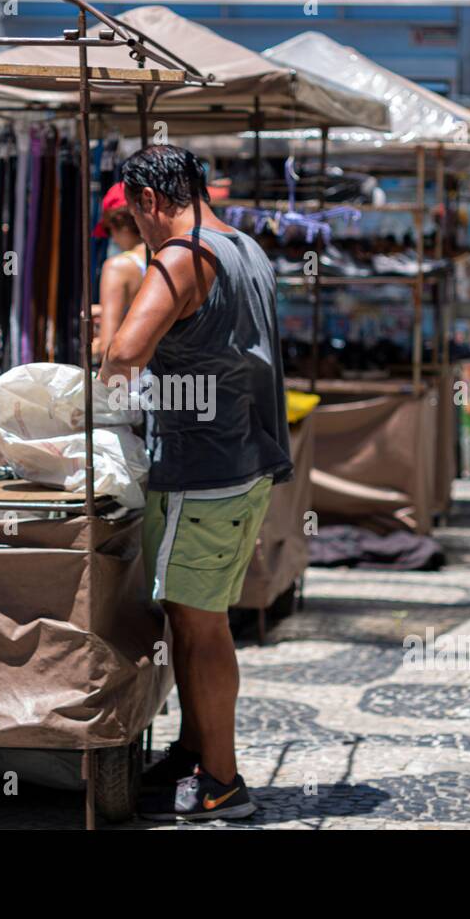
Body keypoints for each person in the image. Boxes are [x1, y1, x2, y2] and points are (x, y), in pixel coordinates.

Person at [98, 145, 293, 821]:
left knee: (202, 627)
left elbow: (123, 350)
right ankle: (192, 747)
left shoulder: (181, 256)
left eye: (135, 215)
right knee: (188, 617)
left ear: (152, 202)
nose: (141, 230)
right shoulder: (244, 246)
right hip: (240, 463)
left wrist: (102, 405)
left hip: (204, 470)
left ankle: (223, 779)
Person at [92, 181, 148, 358]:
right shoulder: (167, 257)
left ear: (120, 224)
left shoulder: (118, 267)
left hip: (133, 379)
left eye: (109, 230)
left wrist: (93, 346)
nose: (113, 239)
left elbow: (107, 349)